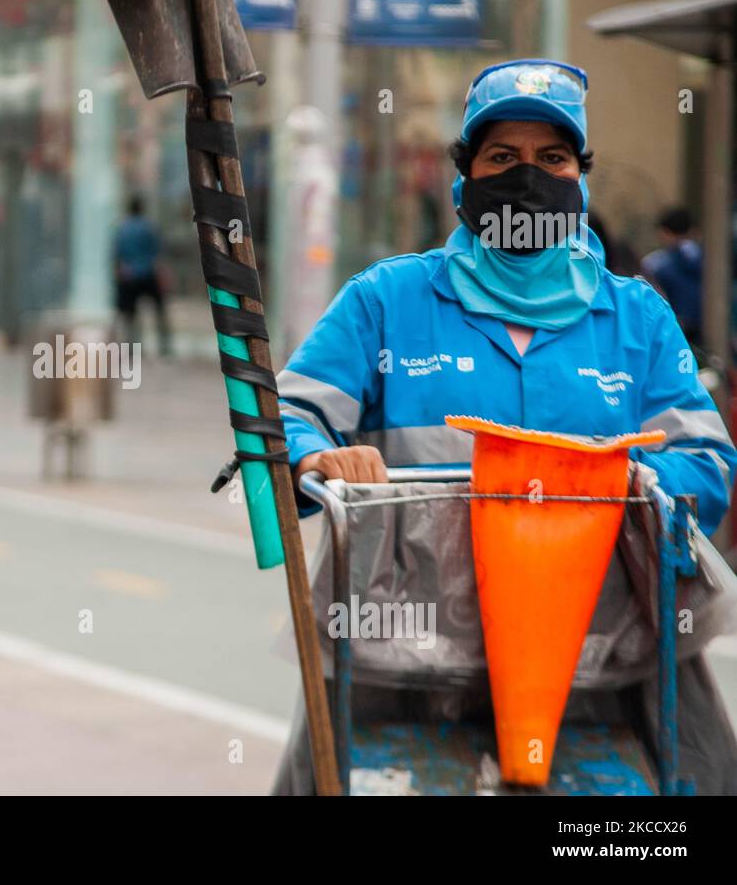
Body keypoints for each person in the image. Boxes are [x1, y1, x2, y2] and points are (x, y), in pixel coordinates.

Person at [271, 59, 737, 794]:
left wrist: (626, 482)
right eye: (504, 158)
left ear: (579, 182)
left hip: (605, 658)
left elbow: (706, 462)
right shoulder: (387, 300)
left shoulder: (636, 317)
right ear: (466, 181)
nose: (529, 178)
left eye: (552, 159)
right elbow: (285, 418)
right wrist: (317, 461)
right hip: (405, 657)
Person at [113, 195, 170, 355]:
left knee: (130, 315)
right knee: (159, 311)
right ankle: (164, 347)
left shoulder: (123, 229)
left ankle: (133, 347)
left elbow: (117, 254)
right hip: (149, 274)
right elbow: (157, 252)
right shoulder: (149, 227)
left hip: (130, 276)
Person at [642, 206, 704, 344]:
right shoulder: (708, 258)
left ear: (666, 232)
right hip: (703, 327)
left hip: (676, 328)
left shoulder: (656, 264)